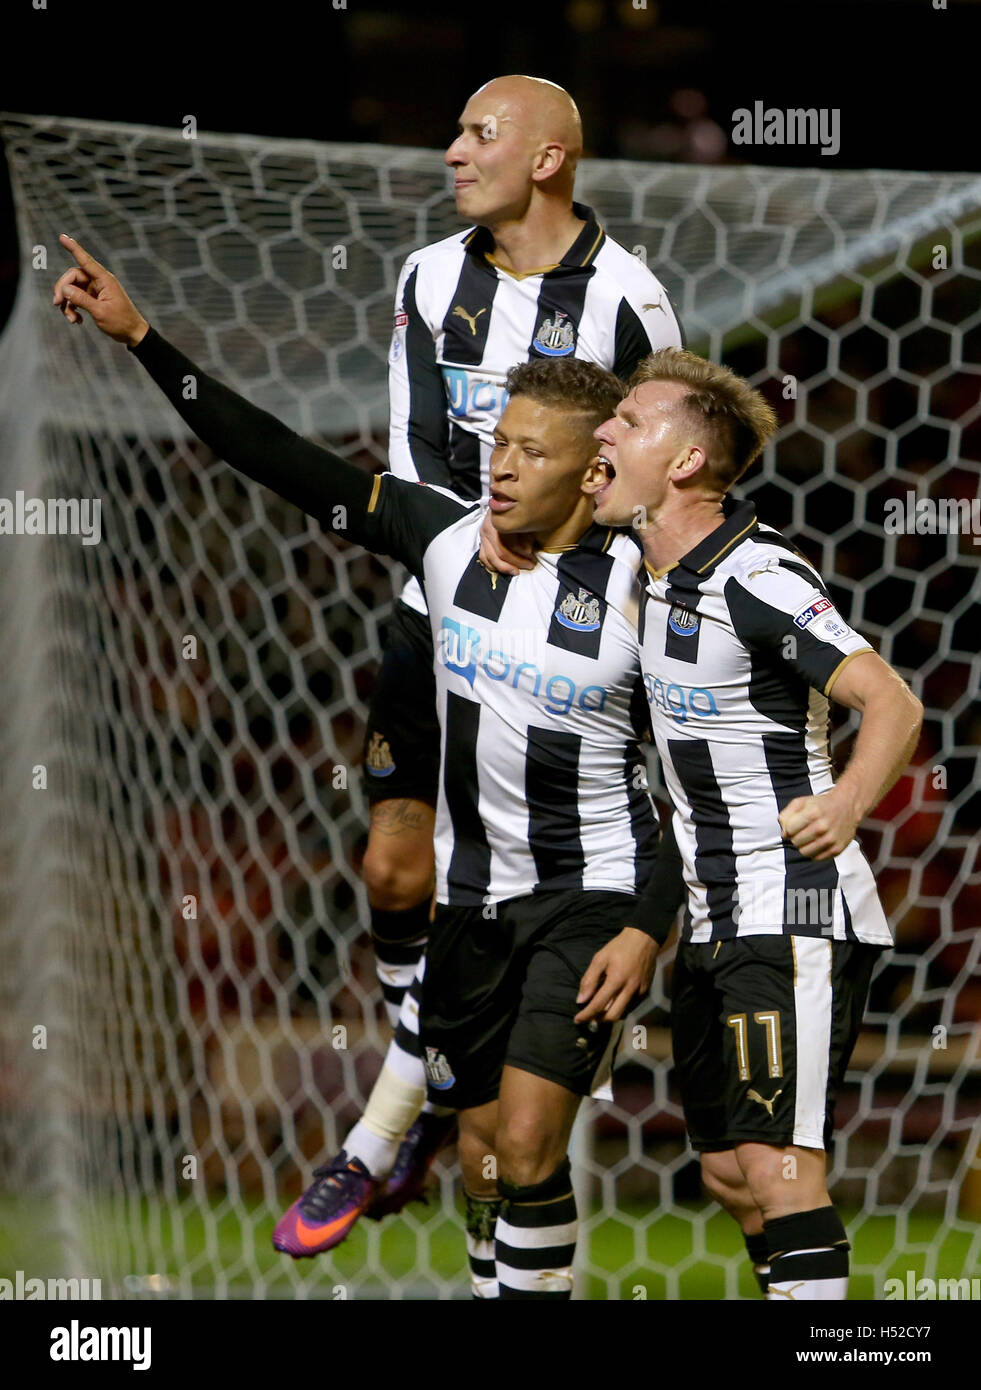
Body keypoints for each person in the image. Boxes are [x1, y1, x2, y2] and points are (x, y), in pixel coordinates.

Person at [51, 236, 684, 1298]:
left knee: (527, 1141)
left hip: (595, 897)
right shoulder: (441, 538)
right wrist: (145, 341)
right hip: (478, 903)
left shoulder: (645, 586)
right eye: (500, 440)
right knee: (487, 1154)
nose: (501, 459)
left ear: (592, 470)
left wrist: (645, 923)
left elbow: (694, 779)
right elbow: (278, 458)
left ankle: (394, 1136)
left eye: (531, 449)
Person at [323, 72, 685, 1240]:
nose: (449, 150)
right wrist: (466, 571)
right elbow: (412, 446)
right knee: (391, 872)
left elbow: (659, 468)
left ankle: (434, 1101)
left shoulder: (631, 298)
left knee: (520, 885)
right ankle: (425, 1091)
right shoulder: (431, 277)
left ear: (547, 158)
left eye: (479, 132)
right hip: (447, 601)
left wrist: (598, 604)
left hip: (574, 638)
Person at [589, 346, 924, 1299]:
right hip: (713, 913)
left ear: (686, 463)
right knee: (730, 1173)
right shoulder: (643, 573)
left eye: (631, 421)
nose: (606, 430)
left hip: (790, 907)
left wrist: (846, 801)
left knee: (778, 1169)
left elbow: (891, 701)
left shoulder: (758, 575)